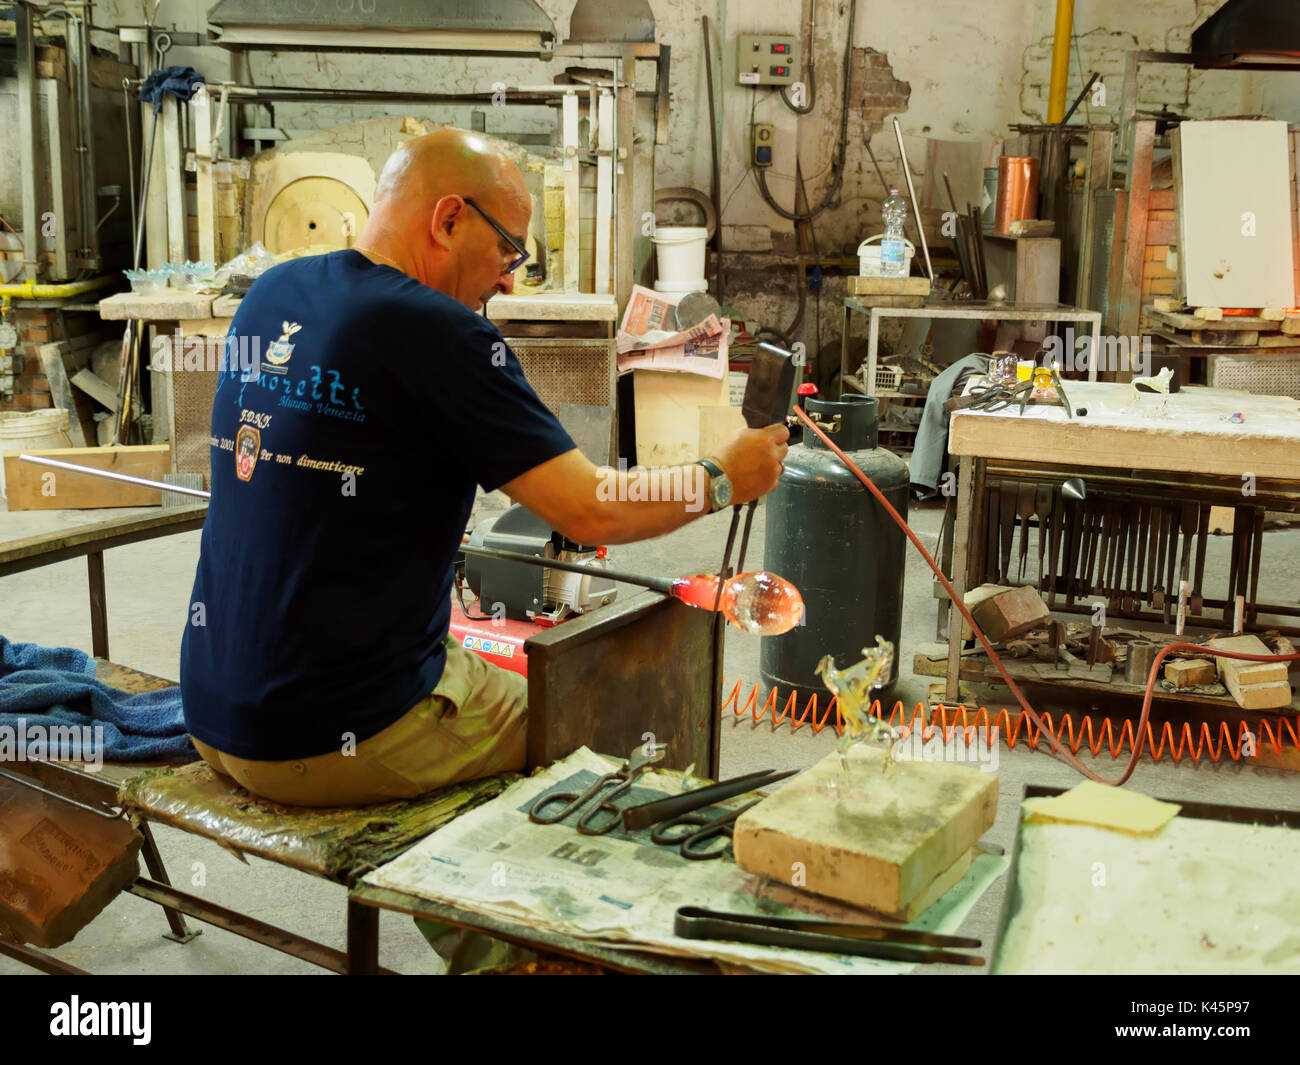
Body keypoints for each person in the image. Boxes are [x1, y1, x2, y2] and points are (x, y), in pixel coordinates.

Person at [180, 128, 788, 808]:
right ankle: (506, 902)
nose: (508, 276)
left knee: (481, 668)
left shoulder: (274, 291)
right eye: (508, 248)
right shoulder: (442, 332)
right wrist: (721, 477)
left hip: (210, 708)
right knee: (600, 721)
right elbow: (590, 507)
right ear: (447, 219)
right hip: (330, 735)